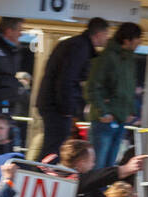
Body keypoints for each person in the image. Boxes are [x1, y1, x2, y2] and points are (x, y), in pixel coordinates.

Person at [37, 17, 107, 162]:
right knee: (53, 149)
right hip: (57, 106)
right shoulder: (79, 48)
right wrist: (67, 110)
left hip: (52, 103)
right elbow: (67, 79)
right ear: (99, 34)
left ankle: (41, 176)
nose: (107, 38)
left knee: (51, 146)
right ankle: (41, 177)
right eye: (106, 34)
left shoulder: (74, 45)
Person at [85, 21, 140, 169]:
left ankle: (99, 192)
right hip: (105, 121)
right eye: (137, 39)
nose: (139, 43)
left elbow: (127, 89)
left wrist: (130, 112)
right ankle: (93, 192)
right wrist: (104, 112)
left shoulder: (128, 59)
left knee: (108, 166)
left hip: (118, 120)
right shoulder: (107, 58)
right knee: (98, 165)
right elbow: (92, 87)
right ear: (127, 40)